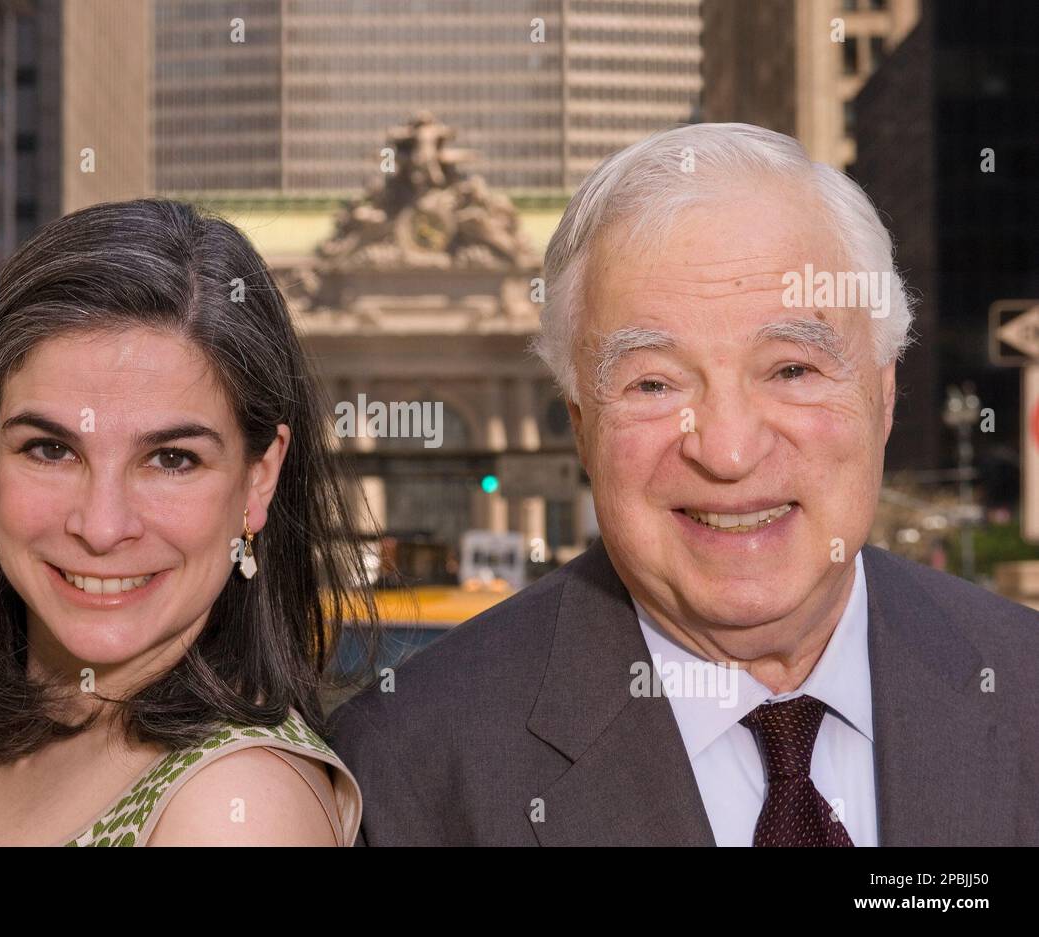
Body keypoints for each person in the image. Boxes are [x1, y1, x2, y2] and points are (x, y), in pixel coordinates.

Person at [330, 122, 1039, 846]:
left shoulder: (1026, 688)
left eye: (792, 369)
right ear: (582, 425)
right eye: (655, 383)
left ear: (884, 395)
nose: (728, 451)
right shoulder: (403, 775)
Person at [0, 198, 378, 846]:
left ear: (258, 478)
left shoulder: (238, 809)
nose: (102, 527)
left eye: (171, 459)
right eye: (50, 449)